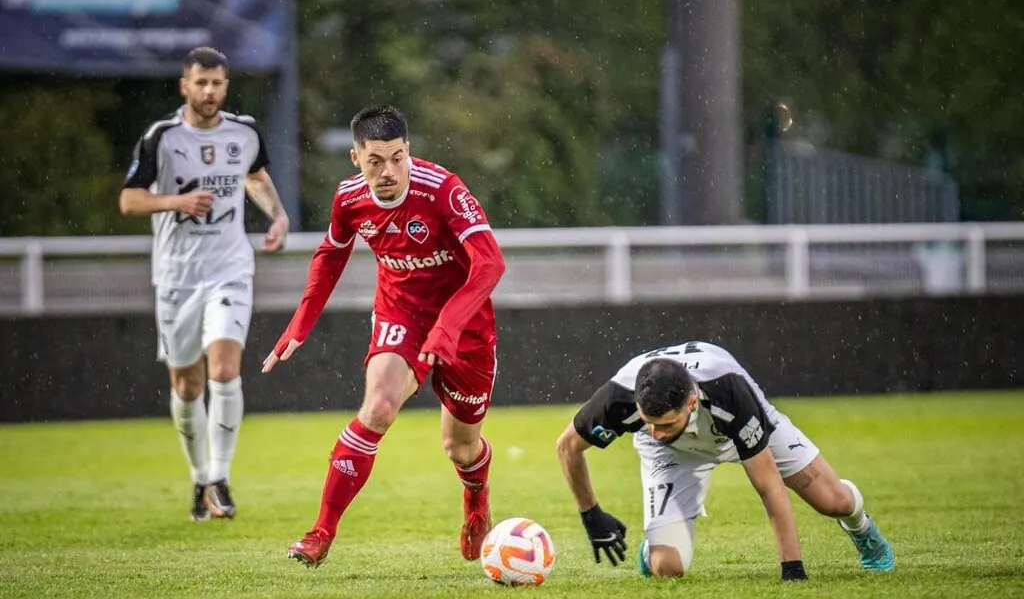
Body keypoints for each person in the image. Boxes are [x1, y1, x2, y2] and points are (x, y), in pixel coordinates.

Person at [261, 105, 506, 568]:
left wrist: (448, 328)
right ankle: (320, 532)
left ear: (408, 150)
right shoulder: (350, 197)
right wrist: (301, 322)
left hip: (465, 326)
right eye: (375, 161)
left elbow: (490, 264)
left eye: (397, 157)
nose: (388, 171)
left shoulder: (443, 190)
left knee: (460, 446)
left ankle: (476, 499)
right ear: (356, 158)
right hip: (402, 315)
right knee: (378, 408)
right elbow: (330, 254)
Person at [555, 340, 895, 580]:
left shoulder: (728, 393)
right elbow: (567, 447)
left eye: (665, 424)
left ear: (690, 403)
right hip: (673, 454)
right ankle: (656, 543)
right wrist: (591, 514)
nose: (655, 431)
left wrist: (792, 569)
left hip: (739, 424)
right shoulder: (620, 399)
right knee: (667, 567)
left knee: (833, 501)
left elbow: (768, 486)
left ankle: (863, 531)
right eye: (648, 422)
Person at [119, 47, 290, 522]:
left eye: (217, 83)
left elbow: (254, 177)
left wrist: (276, 215)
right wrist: (176, 201)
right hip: (177, 275)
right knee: (187, 384)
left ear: (225, 85)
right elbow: (130, 201)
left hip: (230, 267)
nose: (209, 91)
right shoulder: (163, 137)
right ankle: (198, 479)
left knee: (224, 367)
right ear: (185, 86)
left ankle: (219, 475)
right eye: (201, 83)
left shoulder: (245, 131)